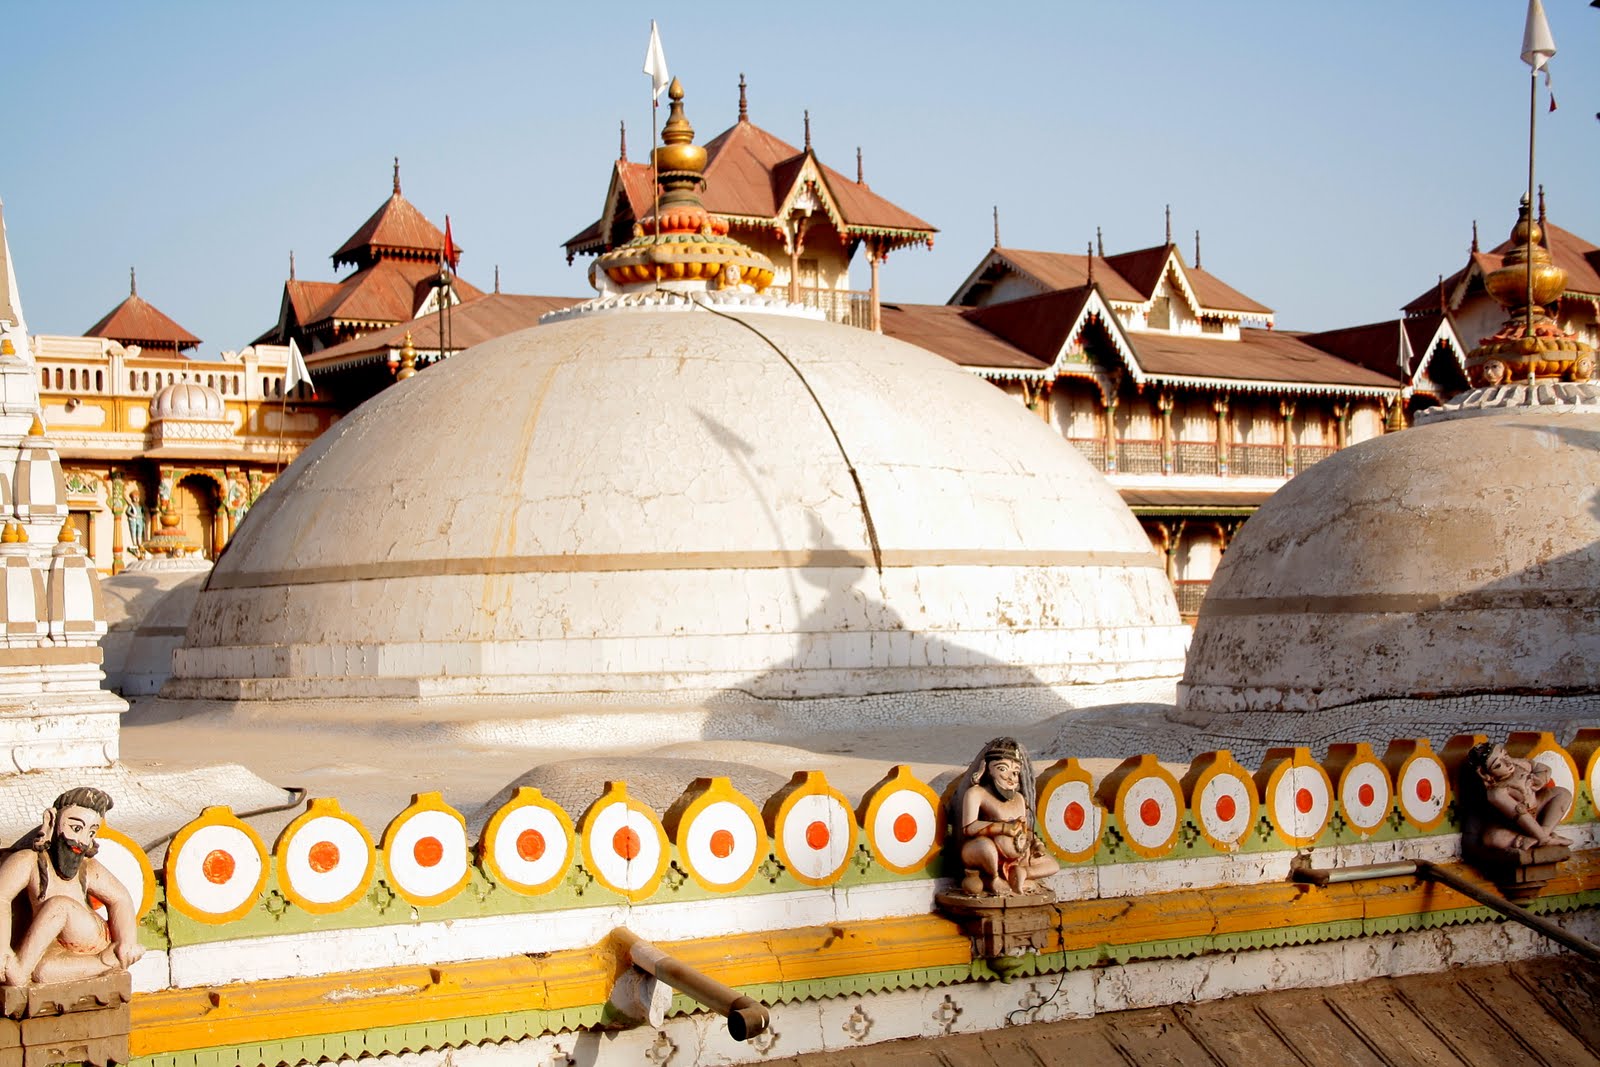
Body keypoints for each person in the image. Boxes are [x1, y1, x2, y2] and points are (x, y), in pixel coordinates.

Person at [0, 787, 144, 986]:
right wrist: (2, 950)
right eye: (76, 828)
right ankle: (105, 962)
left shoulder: (87, 867)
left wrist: (126, 941)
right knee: (42, 971)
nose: (83, 840)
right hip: (61, 947)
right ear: (51, 820)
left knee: (59, 906)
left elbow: (120, 898)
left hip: (91, 935)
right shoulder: (28, 861)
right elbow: (2, 897)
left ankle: (20, 971)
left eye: (91, 832)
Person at [955, 737, 1059, 896]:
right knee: (985, 847)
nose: (1011, 777)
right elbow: (969, 828)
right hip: (984, 853)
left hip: (1017, 855)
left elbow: (1024, 829)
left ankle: (1023, 874)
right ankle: (994, 879)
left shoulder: (1019, 798)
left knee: (1052, 865)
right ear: (987, 769)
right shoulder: (977, 793)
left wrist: (1035, 842)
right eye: (1003, 769)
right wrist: (1003, 828)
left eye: (1016, 772)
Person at [1466, 742, 1572, 851]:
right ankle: (1539, 838)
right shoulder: (1496, 792)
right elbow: (1519, 812)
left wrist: (1540, 779)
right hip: (1513, 825)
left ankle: (1543, 833)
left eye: (1505, 755)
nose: (1507, 763)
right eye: (1498, 765)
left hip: (1537, 809)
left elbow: (1543, 768)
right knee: (1492, 838)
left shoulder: (1519, 764)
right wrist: (1542, 838)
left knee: (1562, 794)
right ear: (1485, 774)